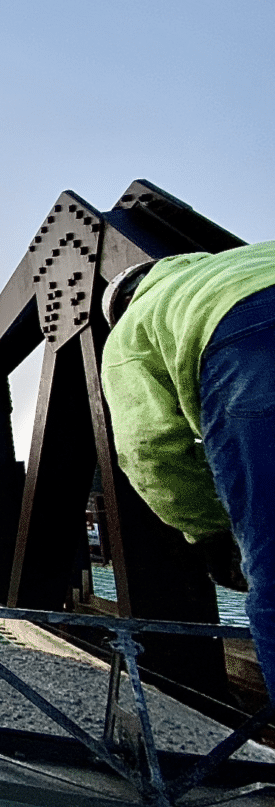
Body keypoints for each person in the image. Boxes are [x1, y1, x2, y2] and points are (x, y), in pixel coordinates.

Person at [100, 241, 275, 695]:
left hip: (247, 339)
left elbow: (148, 449)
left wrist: (210, 533)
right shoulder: (242, 258)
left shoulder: (134, 324)